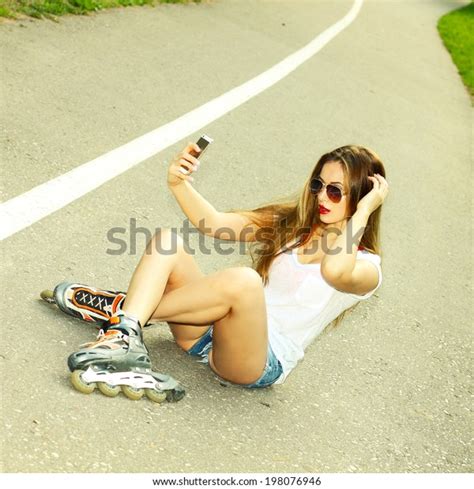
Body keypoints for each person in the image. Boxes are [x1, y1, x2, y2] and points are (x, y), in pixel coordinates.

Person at [44, 142, 389, 402]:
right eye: (318, 185)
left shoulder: (366, 268)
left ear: (360, 198)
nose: (321, 197)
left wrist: (362, 215)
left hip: (255, 361)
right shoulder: (294, 226)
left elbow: (335, 270)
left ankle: (124, 310)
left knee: (244, 280)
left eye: (336, 191)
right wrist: (179, 183)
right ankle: (126, 330)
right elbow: (216, 225)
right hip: (206, 331)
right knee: (168, 243)